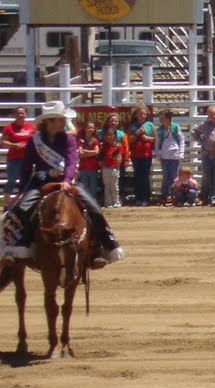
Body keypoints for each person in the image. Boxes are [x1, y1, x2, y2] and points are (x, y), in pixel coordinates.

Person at [0, 101, 125, 269]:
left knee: (94, 207)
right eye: (60, 119)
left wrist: (66, 180)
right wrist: (22, 190)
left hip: (67, 181)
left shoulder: (69, 139)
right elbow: (26, 168)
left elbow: (72, 162)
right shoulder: (34, 141)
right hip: (42, 182)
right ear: (50, 121)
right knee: (21, 208)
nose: (63, 123)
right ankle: (22, 244)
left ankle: (101, 247)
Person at [192, 105, 215, 206]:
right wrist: (201, 141)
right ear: (208, 115)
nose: (214, 116)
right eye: (211, 115)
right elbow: (194, 132)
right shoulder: (204, 125)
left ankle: (214, 198)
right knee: (206, 176)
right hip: (206, 154)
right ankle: (204, 197)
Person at [4, 107, 35, 201]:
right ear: (14, 115)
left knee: (26, 180)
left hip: (28, 158)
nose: (21, 115)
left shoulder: (31, 127)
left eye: (22, 113)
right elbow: (3, 141)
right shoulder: (9, 128)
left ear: (26, 115)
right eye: (18, 113)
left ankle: (19, 200)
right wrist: (14, 145)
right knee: (11, 180)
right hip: (14, 158)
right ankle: (6, 202)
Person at [155, 109, 186, 203]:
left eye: (162, 118)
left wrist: (181, 153)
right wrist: (158, 154)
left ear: (168, 119)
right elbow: (157, 143)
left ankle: (174, 196)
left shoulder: (175, 127)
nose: (161, 120)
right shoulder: (159, 130)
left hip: (174, 156)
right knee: (165, 178)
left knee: (174, 177)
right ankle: (164, 196)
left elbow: (181, 140)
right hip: (164, 156)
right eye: (160, 118)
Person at [127, 106, 155, 206]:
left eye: (144, 114)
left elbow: (155, 139)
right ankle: (138, 198)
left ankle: (146, 198)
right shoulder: (132, 126)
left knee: (145, 177)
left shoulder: (150, 125)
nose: (142, 116)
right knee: (138, 176)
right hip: (136, 154)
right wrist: (137, 134)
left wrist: (147, 138)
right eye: (140, 114)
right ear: (135, 115)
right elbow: (129, 141)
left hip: (147, 154)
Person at [99, 113, 125, 209]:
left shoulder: (118, 146)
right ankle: (108, 202)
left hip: (114, 168)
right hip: (106, 168)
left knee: (115, 187)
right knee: (107, 186)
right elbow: (101, 157)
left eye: (111, 135)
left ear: (114, 136)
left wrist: (117, 168)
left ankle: (116, 201)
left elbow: (119, 157)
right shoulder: (103, 146)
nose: (109, 137)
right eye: (108, 135)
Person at [76, 118, 101, 204]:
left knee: (93, 186)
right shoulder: (80, 140)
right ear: (85, 129)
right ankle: (85, 203)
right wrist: (91, 153)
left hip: (93, 167)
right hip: (83, 167)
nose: (91, 129)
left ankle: (93, 203)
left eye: (92, 128)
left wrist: (86, 152)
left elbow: (97, 152)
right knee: (84, 187)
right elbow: (80, 153)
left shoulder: (95, 140)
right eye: (89, 127)